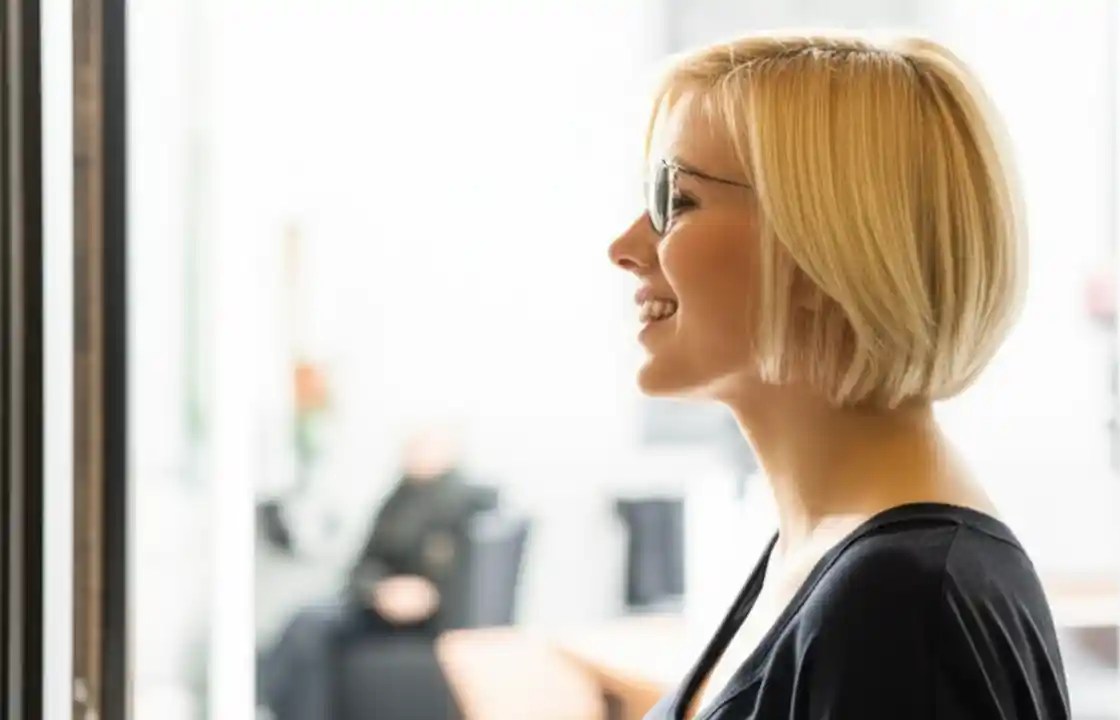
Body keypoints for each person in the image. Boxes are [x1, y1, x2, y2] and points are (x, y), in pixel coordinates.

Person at [608, 32, 1070, 719]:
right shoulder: (832, 563)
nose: (625, 248)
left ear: (822, 242)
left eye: (677, 200)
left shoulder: (903, 602)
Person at [258, 427, 496, 720]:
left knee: (309, 630)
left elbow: (469, 576)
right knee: (306, 625)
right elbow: (363, 565)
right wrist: (378, 591)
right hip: (372, 601)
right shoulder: (400, 498)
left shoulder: (469, 503)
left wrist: (431, 595)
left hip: (423, 619)